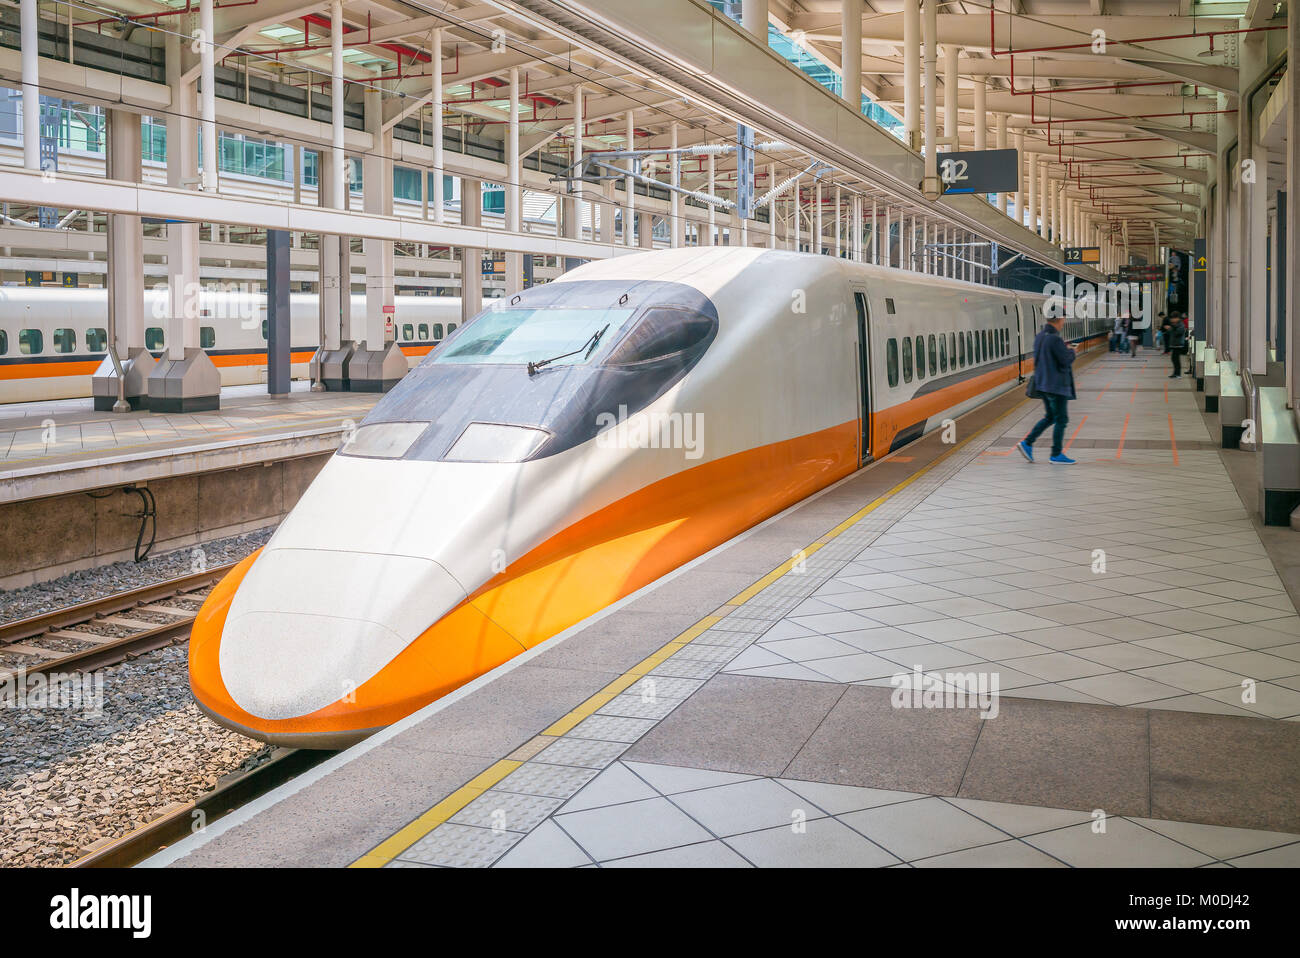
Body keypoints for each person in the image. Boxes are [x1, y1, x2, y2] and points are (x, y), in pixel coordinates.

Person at [1018, 312, 1079, 465]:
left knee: (1050, 417)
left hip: (1042, 384)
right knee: (1061, 419)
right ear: (1059, 320)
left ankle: (1027, 443)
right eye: (1063, 319)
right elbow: (1065, 361)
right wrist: (1072, 351)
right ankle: (1056, 454)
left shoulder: (1040, 337)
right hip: (1056, 386)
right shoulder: (1055, 339)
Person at [1168, 313, 1188, 379]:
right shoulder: (1175, 324)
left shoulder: (1181, 324)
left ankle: (1178, 374)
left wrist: (1172, 327)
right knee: (1174, 359)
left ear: (1177, 318)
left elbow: (1178, 333)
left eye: (1173, 318)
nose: (1172, 320)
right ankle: (1175, 373)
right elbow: (1171, 332)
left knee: (1176, 360)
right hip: (1174, 344)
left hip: (1178, 345)